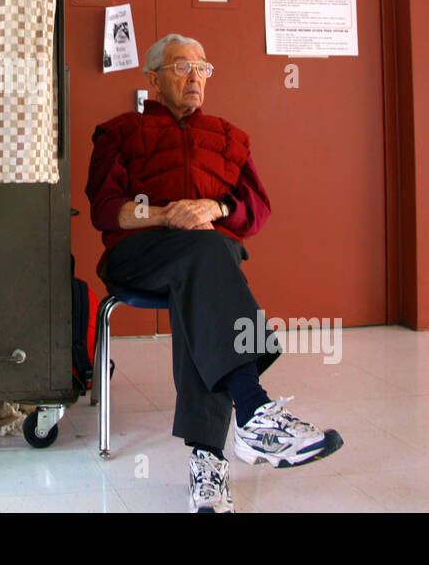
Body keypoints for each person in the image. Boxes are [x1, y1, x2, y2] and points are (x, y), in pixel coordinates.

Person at [85, 33, 342, 513]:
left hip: (206, 261)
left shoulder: (229, 137)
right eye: (182, 67)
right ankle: (252, 411)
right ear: (153, 79)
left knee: (203, 273)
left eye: (203, 69)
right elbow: (106, 210)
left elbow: (257, 210)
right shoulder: (118, 132)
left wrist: (215, 205)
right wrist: (167, 214)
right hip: (139, 254)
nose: (195, 78)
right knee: (206, 259)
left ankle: (210, 462)